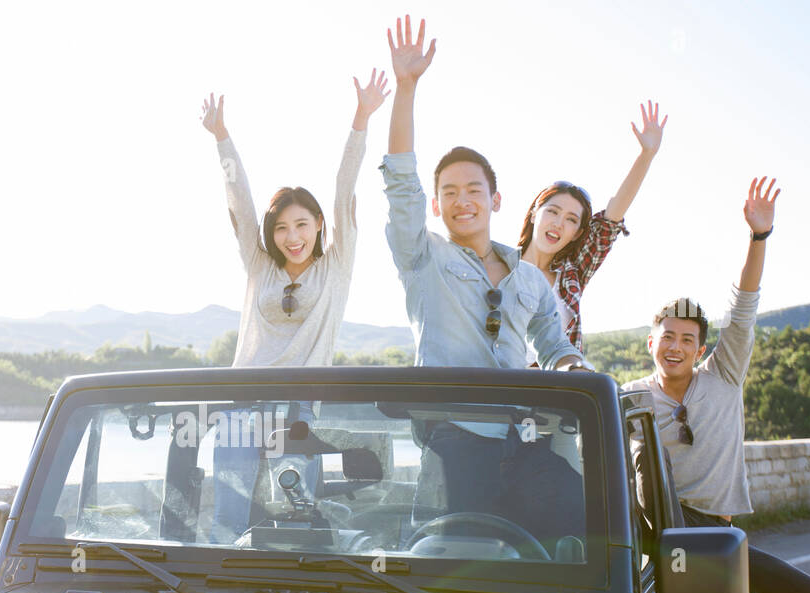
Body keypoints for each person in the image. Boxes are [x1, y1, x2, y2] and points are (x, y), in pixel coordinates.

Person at [622, 177, 810, 593]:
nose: (675, 346)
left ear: (701, 347)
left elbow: (743, 309)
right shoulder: (631, 398)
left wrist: (758, 235)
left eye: (687, 339)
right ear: (651, 341)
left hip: (718, 533)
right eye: (666, 336)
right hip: (668, 531)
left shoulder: (724, 375)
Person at [379, 15, 587, 525]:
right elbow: (401, 184)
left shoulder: (528, 277)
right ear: (436, 206)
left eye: (473, 190)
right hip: (454, 441)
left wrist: (574, 370)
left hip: (517, 438)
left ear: (495, 198)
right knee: (461, 563)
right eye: (448, 192)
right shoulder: (423, 259)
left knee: (588, 516)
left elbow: (554, 345)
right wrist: (405, 88)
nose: (461, 200)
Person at [201, 75, 387, 540]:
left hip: (300, 408)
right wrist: (222, 137)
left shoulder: (335, 269)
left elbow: (345, 188)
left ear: (320, 224)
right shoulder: (260, 266)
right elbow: (239, 202)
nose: (293, 236)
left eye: (302, 224)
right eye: (282, 227)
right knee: (228, 514)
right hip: (243, 404)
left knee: (300, 508)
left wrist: (361, 120)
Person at [518, 101, 667, 357]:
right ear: (534, 213)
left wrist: (646, 156)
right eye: (552, 212)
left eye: (571, 220)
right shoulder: (498, 265)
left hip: (554, 391)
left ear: (577, 233)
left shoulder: (572, 273)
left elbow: (612, 218)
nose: (558, 223)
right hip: (500, 388)